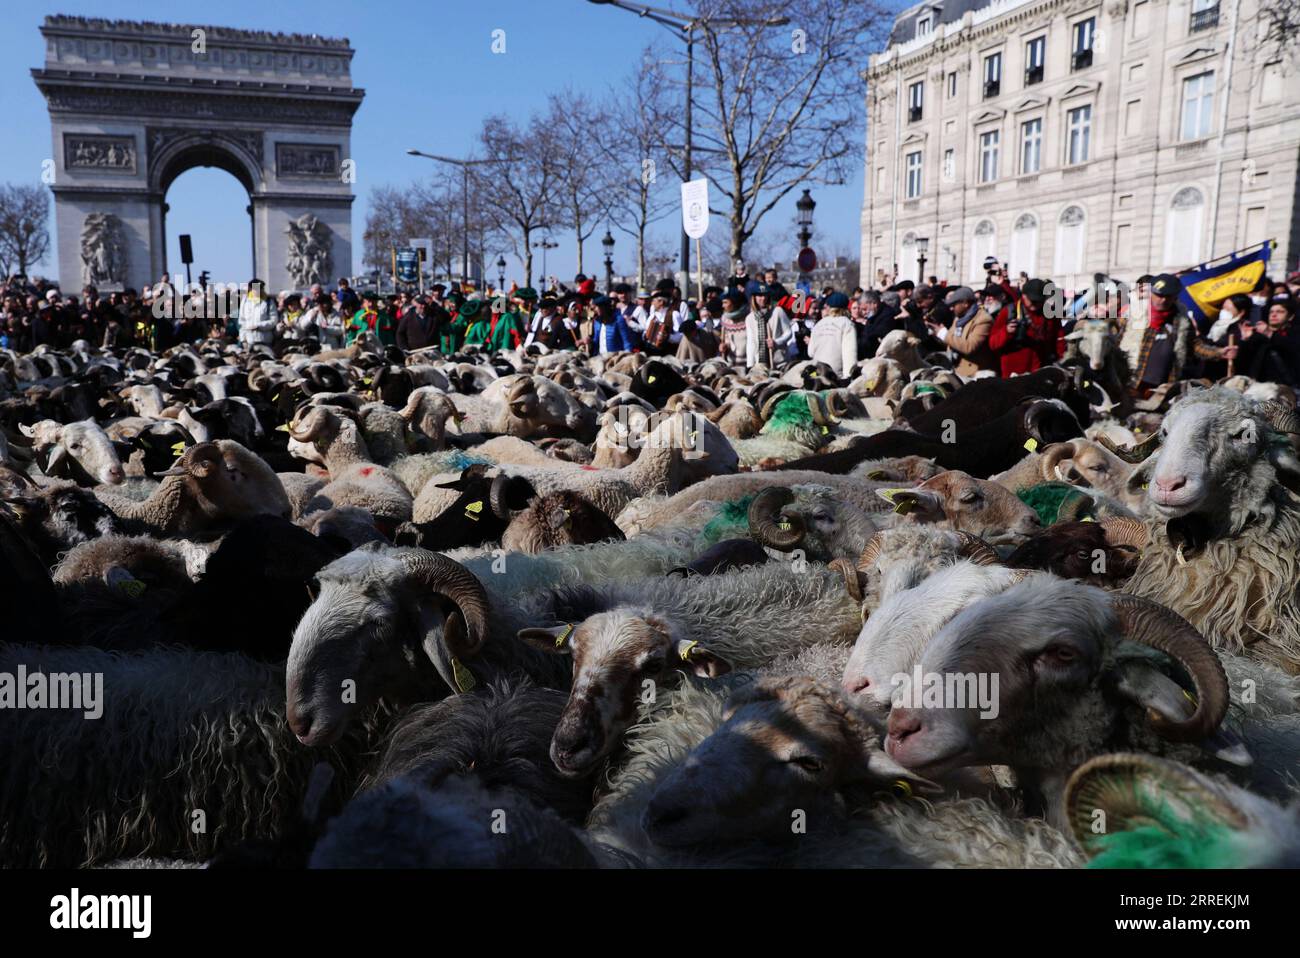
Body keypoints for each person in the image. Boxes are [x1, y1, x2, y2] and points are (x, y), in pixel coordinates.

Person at [1113, 273, 1224, 397]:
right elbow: (1115, 342)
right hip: (1132, 381)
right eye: (1159, 295)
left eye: (1168, 296)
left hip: (1165, 386)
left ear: (1175, 297)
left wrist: (1219, 352)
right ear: (1151, 294)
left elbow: (1193, 345)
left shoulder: (1182, 320)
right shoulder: (1132, 314)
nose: (1163, 300)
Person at [988, 278, 1061, 376]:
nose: (1035, 304)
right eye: (1032, 300)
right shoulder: (1009, 311)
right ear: (1024, 296)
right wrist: (1007, 331)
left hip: (1040, 370)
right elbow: (992, 343)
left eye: (1039, 300)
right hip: (1013, 373)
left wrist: (1061, 360)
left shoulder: (1050, 314)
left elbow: (1059, 339)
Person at [933, 286, 998, 378]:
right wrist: (936, 332)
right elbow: (951, 342)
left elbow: (969, 347)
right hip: (957, 370)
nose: (951, 309)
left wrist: (944, 334)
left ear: (965, 303)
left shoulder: (983, 320)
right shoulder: (959, 319)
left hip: (977, 374)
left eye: (954, 305)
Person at [1236, 294, 1300, 386]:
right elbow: (1241, 365)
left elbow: (1292, 350)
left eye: (1280, 312)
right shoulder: (1257, 337)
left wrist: (1269, 333)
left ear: (1290, 317)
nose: (1274, 315)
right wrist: (1244, 341)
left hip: (1288, 389)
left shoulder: (1294, 333)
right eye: (1271, 312)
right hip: (1259, 387)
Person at [808, 291, 857, 380]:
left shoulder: (819, 324)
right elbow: (850, 354)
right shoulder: (847, 323)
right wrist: (848, 378)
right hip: (835, 376)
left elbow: (810, 352)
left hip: (817, 374)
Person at [745, 283, 793, 368]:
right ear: (754, 297)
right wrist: (750, 365)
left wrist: (776, 342)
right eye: (759, 296)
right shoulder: (750, 318)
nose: (763, 298)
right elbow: (751, 343)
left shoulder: (778, 311)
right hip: (760, 364)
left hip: (780, 362)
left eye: (765, 295)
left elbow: (789, 332)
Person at [238, 279, 277, 347]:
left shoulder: (269, 301)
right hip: (249, 340)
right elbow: (242, 322)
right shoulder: (245, 301)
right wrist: (243, 339)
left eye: (260, 288)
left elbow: (274, 321)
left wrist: (258, 326)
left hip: (265, 340)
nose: (258, 291)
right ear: (251, 289)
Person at [717, 289, 750, 364]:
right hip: (732, 362)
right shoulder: (725, 319)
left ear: (735, 302)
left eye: (725, 302)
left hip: (749, 362)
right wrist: (725, 346)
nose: (723, 306)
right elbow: (727, 340)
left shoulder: (749, 318)